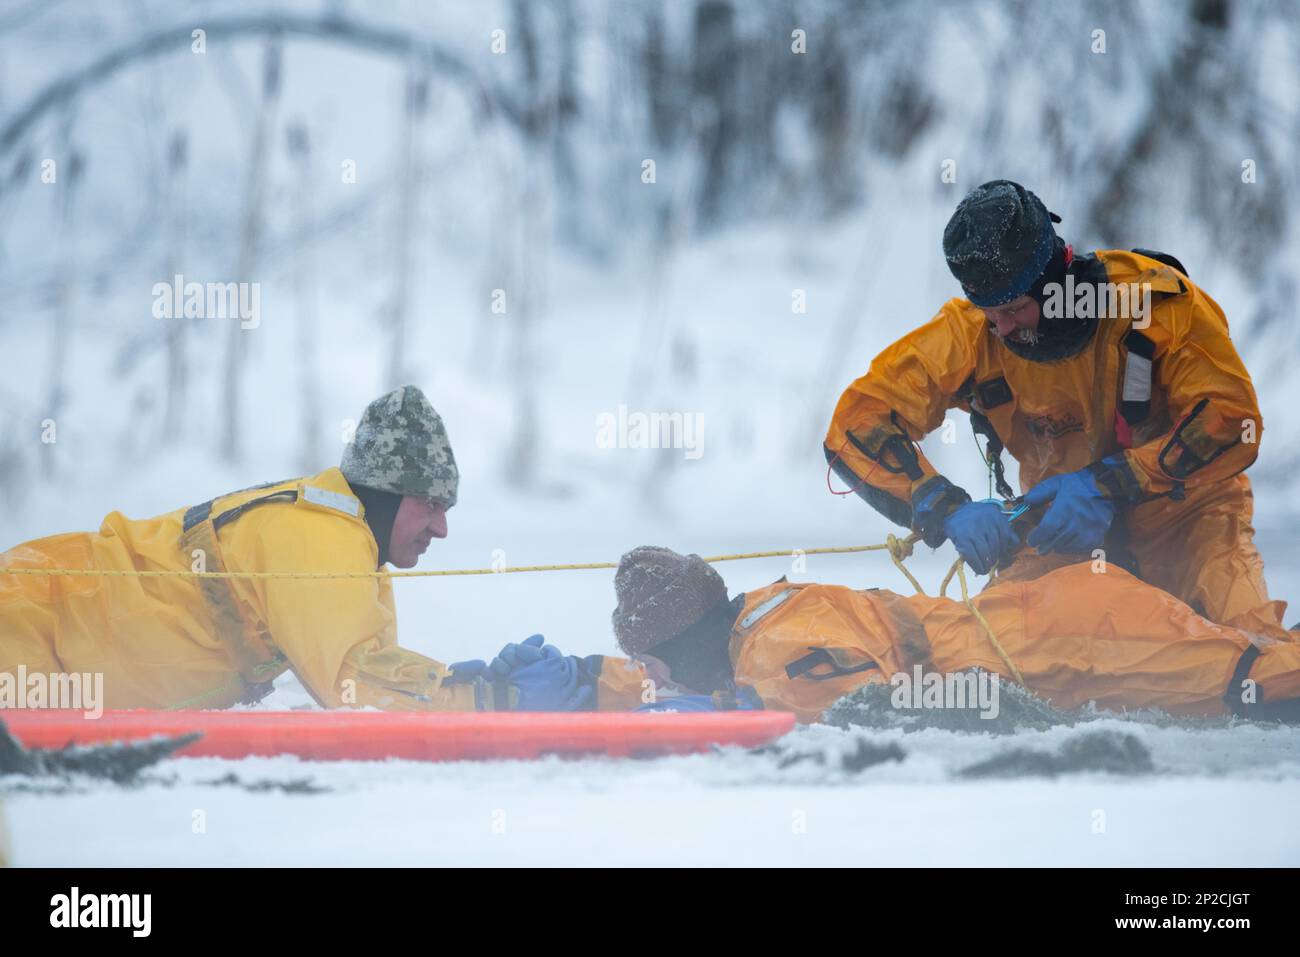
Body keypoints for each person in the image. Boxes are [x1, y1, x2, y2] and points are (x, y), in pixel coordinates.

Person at [825, 180, 1288, 640]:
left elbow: (1231, 420)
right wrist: (941, 506)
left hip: (1188, 521)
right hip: (1059, 534)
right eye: (988, 313)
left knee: (1255, 657)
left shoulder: (1152, 304)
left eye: (1014, 308)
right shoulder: (972, 334)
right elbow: (858, 422)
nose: (1002, 328)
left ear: (1054, 283)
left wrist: (1109, 484)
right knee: (995, 652)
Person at [0, 386, 606, 712]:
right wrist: (494, 700)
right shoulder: (319, 535)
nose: (441, 528)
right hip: (36, 617)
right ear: (390, 494)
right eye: (430, 504)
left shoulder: (353, 548)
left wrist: (466, 679)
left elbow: (375, 673)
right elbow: (354, 688)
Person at [600, 545, 1300, 724]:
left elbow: (864, 696)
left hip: (1073, 639)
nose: (653, 681)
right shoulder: (751, 619)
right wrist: (586, 678)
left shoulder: (772, 652)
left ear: (685, 643)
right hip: (1043, 624)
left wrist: (733, 712)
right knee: (1259, 658)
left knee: (1259, 682)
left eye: (653, 666)